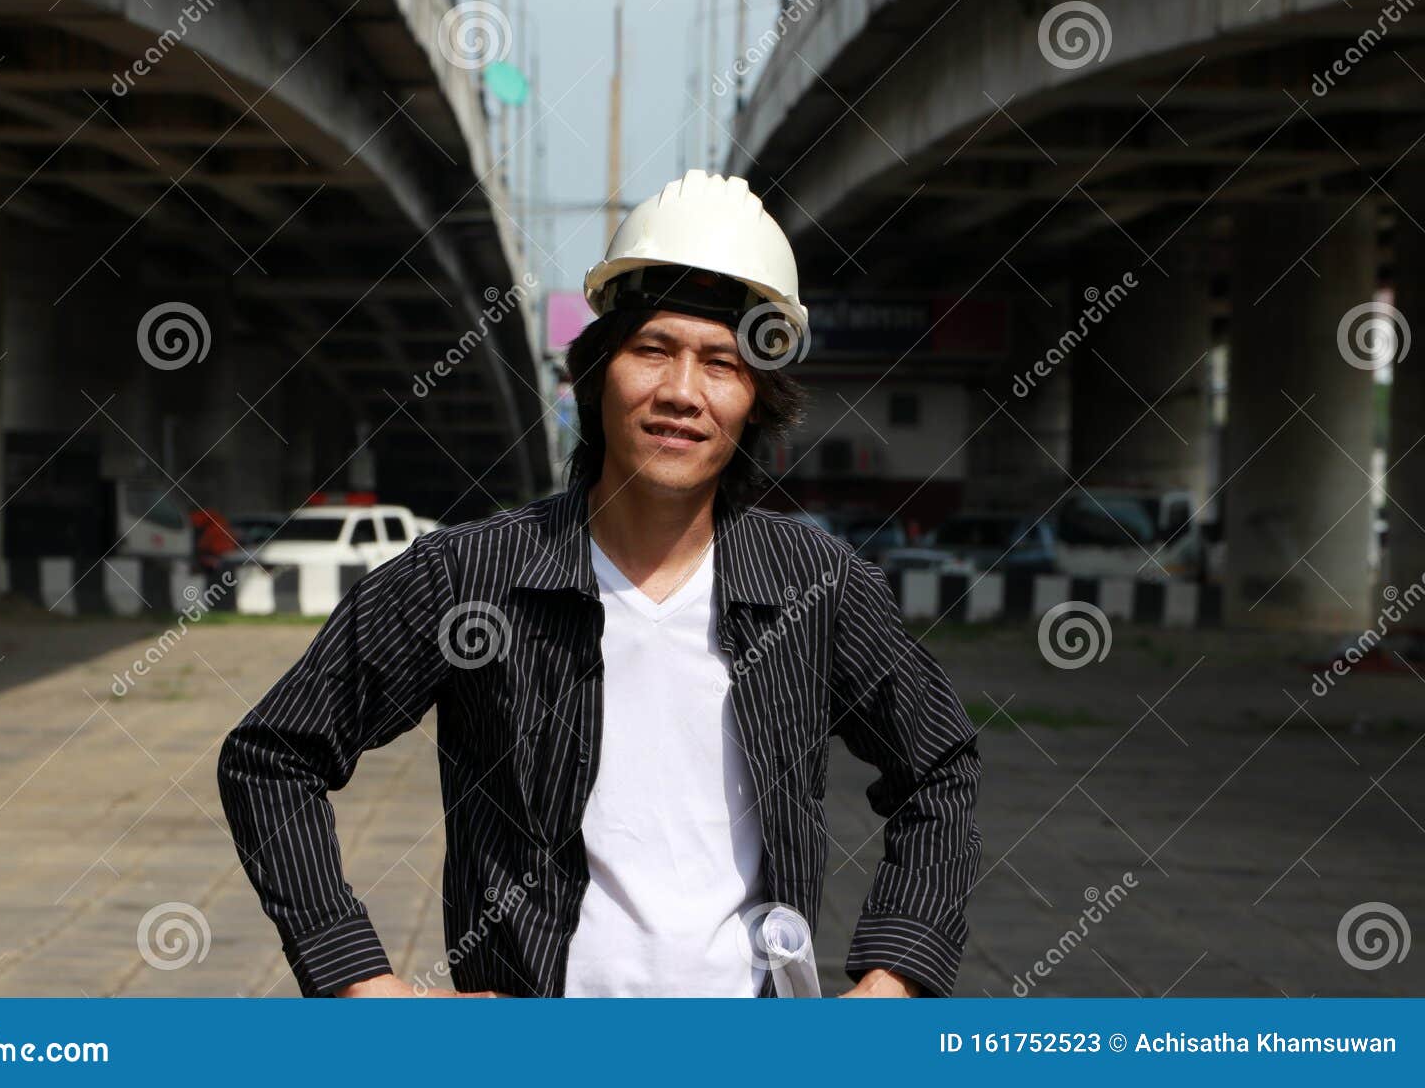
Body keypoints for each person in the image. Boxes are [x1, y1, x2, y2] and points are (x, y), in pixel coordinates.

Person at [217, 169, 982, 998]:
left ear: (756, 399)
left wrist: (893, 977)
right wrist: (361, 981)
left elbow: (940, 767)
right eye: (652, 349)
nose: (682, 392)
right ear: (596, 372)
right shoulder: (469, 576)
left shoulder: (817, 587)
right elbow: (273, 755)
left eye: (722, 363)